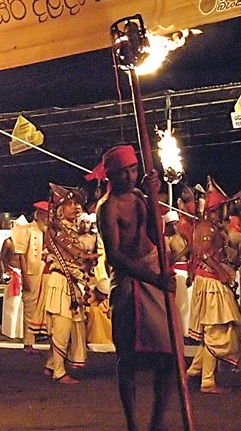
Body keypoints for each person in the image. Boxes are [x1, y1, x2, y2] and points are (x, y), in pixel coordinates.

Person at [96, 144, 176, 430]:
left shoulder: (141, 196)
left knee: (170, 356)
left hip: (153, 271)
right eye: (123, 172)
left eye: (133, 169)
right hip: (130, 280)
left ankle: (157, 422)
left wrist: (153, 198)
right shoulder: (108, 208)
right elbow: (116, 256)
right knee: (127, 358)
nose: (130, 176)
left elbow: (154, 233)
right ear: (111, 175)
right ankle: (132, 424)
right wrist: (154, 279)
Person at [30, 184, 97, 384]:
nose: (76, 207)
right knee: (62, 327)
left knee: (71, 324)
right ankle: (59, 372)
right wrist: (85, 256)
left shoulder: (76, 229)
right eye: (70, 204)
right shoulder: (55, 229)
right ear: (60, 209)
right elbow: (72, 251)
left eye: (78, 204)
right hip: (61, 281)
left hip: (71, 282)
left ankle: (51, 365)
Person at [186, 180, 241, 393]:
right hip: (211, 282)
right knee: (217, 330)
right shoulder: (205, 226)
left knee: (215, 330)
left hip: (214, 280)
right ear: (215, 209)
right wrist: (220, 272)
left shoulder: (217, 227)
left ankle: (194, 371)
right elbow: (203, 253)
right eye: (224, 206)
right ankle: (207, 381)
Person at [12, 201, 49, 353]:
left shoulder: (51, 231)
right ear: (38, 215)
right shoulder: (26, 230)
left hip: (48, 272)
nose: (47, 218)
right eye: (44, 215)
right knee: (30, 306)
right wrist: (25, 276)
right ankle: (28, 342)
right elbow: (21, 256)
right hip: (32, 272)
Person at [164, 210, 191, 337]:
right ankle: (180, 332)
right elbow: (170, 259)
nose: (174, 227)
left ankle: (188, 332)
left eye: (176, 224)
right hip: (177, 271)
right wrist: (186, 250)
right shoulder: (167, 239)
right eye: (172, 225)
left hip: (187, 271)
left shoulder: (183, 237)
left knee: (188, 304)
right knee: (179, 304)